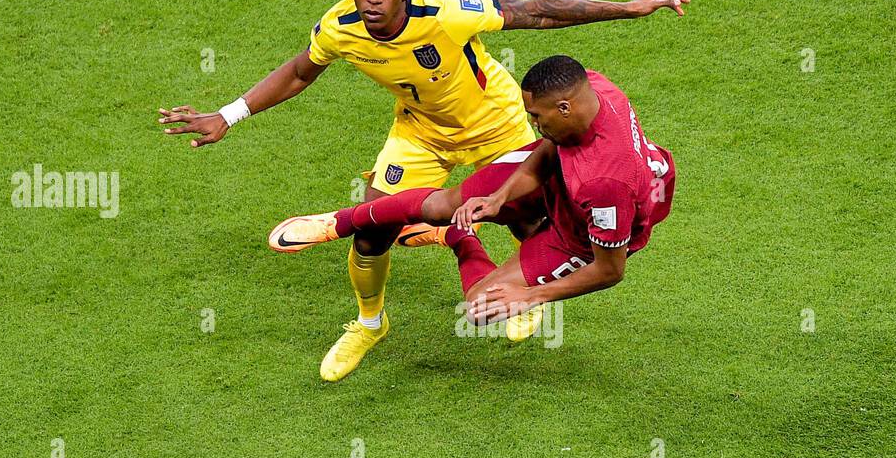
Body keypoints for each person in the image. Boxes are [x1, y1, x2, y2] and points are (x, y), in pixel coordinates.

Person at [161, 0, 687, 380]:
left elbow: (536, 13)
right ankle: (370, 323)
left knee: (528, 215)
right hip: (421, 131)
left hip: (498, 121)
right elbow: (300, 71)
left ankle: (517, 283)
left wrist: (628, 7)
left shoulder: (447, 10)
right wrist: (227, 115)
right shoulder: (339, 28)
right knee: (373, 233)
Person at [276, 55, 675, 332]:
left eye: (536, 117)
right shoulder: (593, 94)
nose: (531, 123)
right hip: (571, 178)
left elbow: (610, 270)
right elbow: (554, 146)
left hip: (580, 230)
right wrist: (500, 197)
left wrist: (532, 296)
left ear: (566, 107)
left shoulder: (606, 183)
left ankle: (458, 238)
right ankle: (341, 221)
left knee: (480, 308)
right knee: (445, 204)